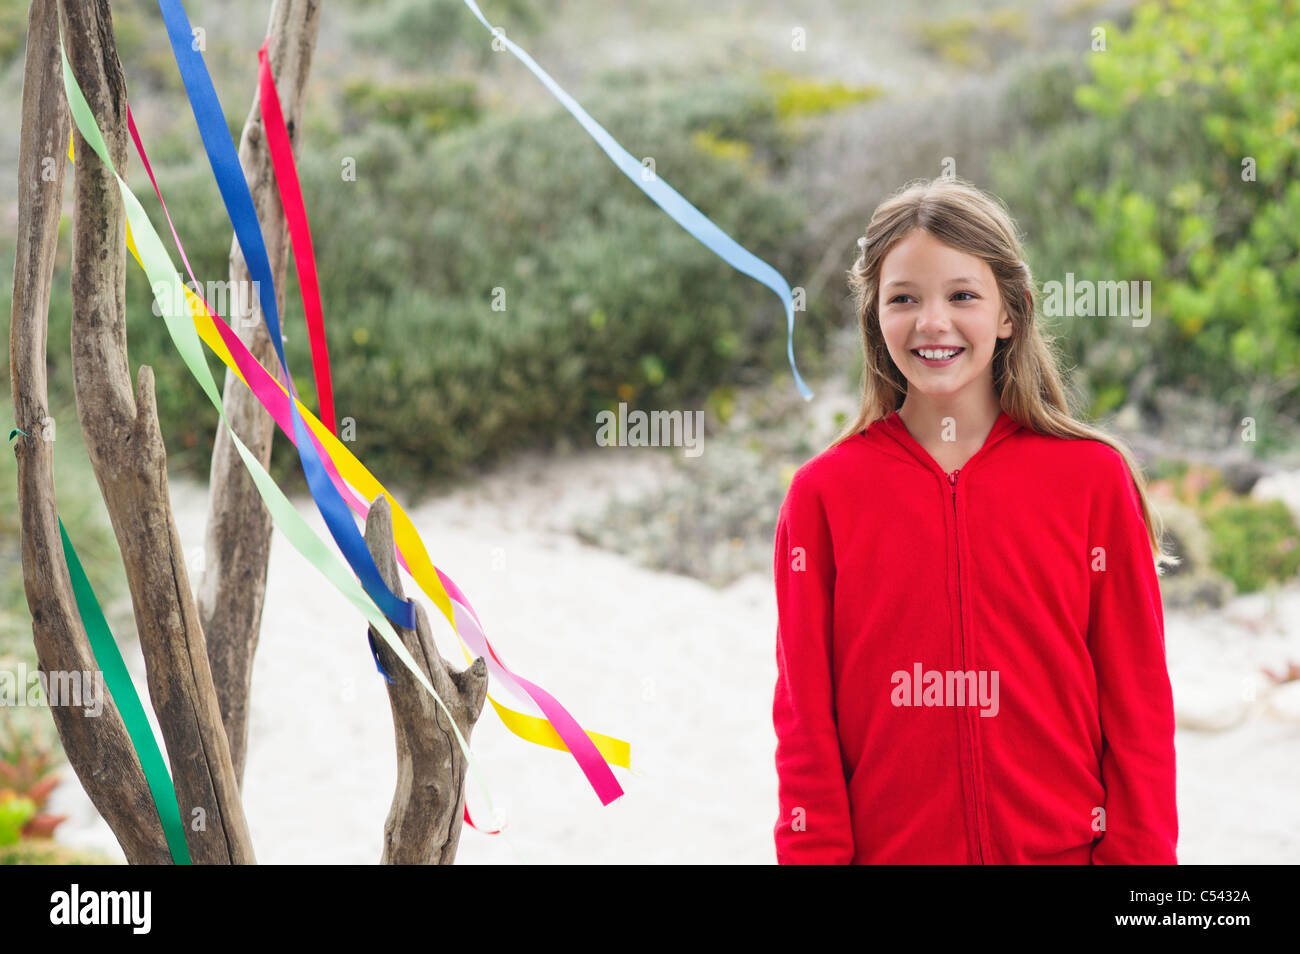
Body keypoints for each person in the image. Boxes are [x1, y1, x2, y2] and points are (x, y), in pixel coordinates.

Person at [772, 176, 1178, 864]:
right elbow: (806, 727)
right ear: (874, 317)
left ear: (1010, 312)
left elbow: (1138, 711)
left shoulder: (1092, 481)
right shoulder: (823, 498)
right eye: (903, 299)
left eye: (963, 295)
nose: (933, 322)